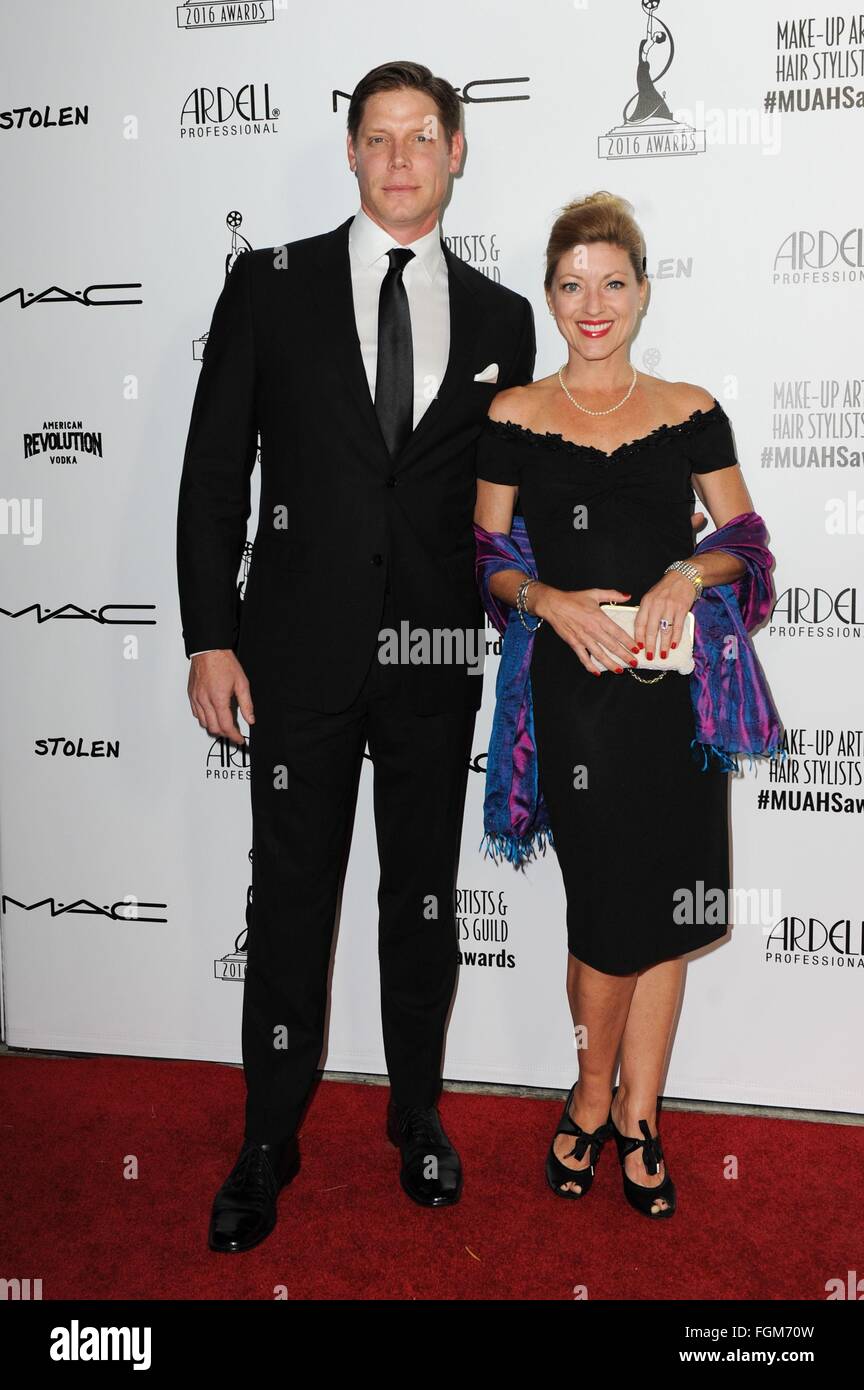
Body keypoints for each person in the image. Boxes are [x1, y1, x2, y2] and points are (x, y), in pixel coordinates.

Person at [176, 61, 535, 1252]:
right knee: (289, 902)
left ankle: (417, 1113)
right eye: (376, 138)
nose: (398, 158)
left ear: (457, 151)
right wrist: (209, 636)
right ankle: (266, 1135)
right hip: (294, 656)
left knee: (419, 903)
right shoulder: (268, 287)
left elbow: (514, 501)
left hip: (434, 661)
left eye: (420, 137)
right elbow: (215, 473)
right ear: (349, 154)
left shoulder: (501, 318)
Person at [473, 191, 772, 1219]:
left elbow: (750, 542)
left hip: (676, 707)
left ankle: (639, 1117)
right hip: (576, 703)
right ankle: (589, 1087)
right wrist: (547, 599)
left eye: (612, 283)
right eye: (570, 285)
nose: (591, 305)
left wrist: (691, 573)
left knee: (668, 914)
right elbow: (486, 557)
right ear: (550, 297)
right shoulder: (513, 414)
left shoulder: (690, 409)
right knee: (607, 919)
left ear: (643, 292)